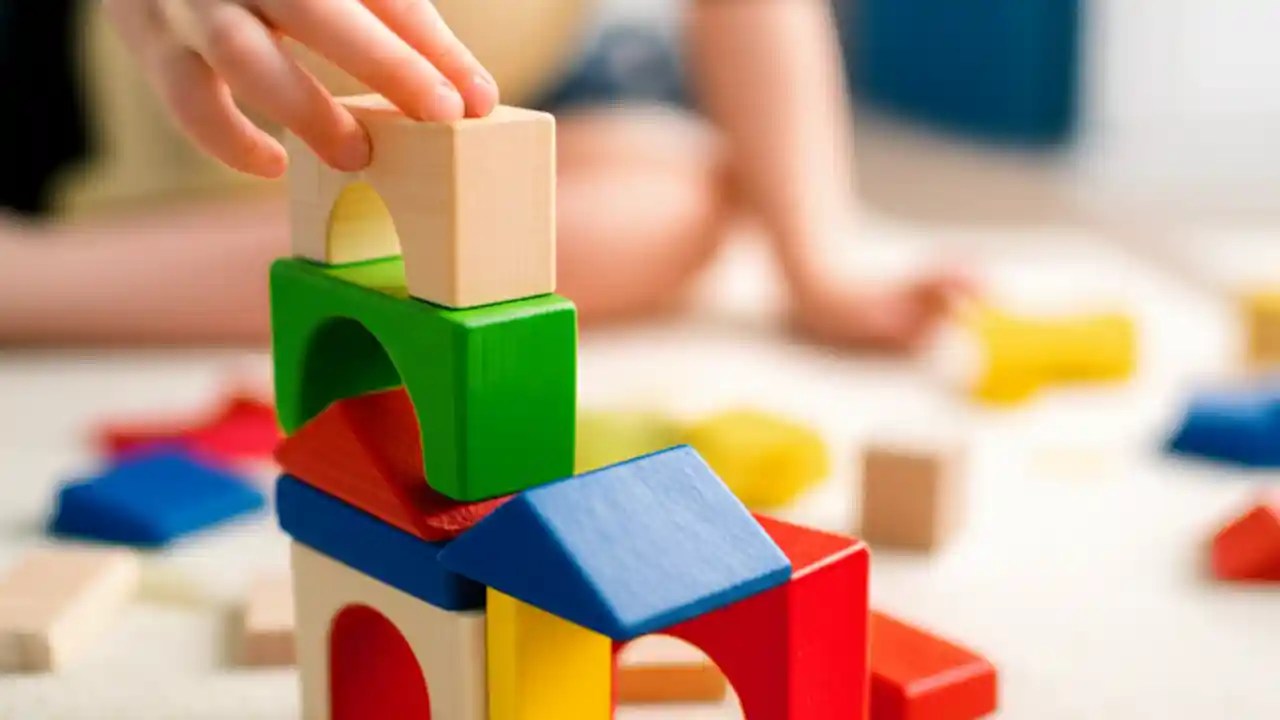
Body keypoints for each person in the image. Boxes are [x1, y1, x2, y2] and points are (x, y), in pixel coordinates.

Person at [0, 0, 968, 349]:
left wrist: (818, 264)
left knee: (676, 197)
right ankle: (30, 280)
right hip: (109, 102)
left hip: (413, 117)